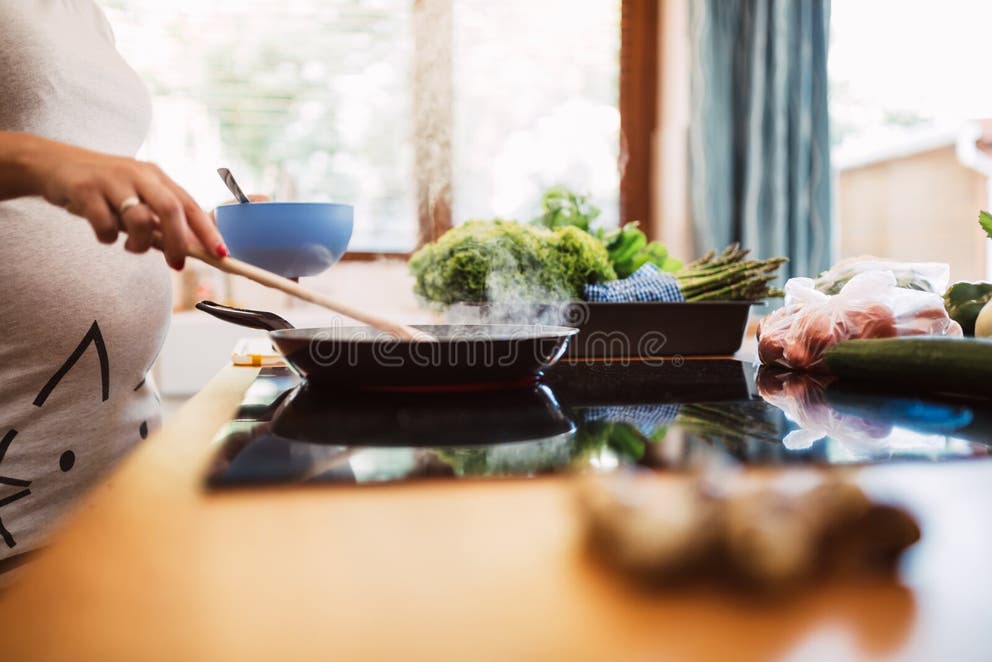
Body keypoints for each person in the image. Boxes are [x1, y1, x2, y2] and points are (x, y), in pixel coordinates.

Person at [0, 0, 231, 572]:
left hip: (121, 502)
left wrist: (191, 225)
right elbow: (52, 161)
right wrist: (44, 162)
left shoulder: (85, 14)